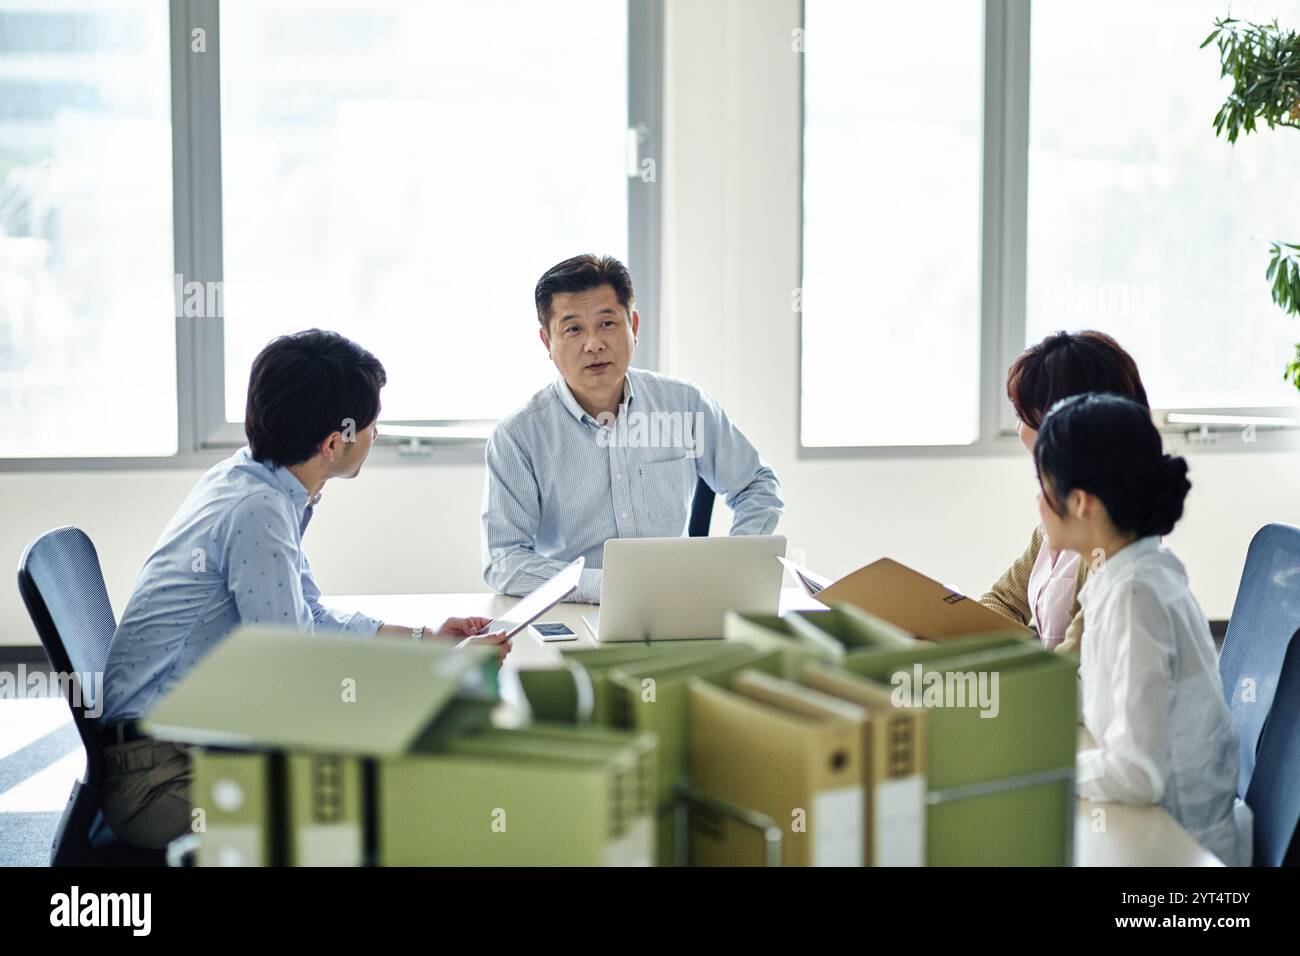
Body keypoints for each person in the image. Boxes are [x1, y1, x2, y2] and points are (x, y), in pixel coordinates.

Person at [99, 329, 507, 849]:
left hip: (183, 745)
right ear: (335, 442)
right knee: (383, 810)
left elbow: (307, 618)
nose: (376, 434)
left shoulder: (255, 481)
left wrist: (426, 639)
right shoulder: (258, 511)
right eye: (372, 423)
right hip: (161, 780)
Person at [481, 254, 783, 603]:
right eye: (573, 329)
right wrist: (606, 588)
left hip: (677, 604)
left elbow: (757, 486)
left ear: (633, 327)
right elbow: (504, 560)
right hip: (572, 608)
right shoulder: (519, 437)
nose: (593, 344)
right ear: (548, 343)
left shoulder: (684, 404)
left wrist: (731, 564)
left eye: (607, 324)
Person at [1034, 392, 1245, 866]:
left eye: (1043, 484)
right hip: (1158, 826)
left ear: (1082, 502)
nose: (1037, 501)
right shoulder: (1126, 576)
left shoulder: (1136, 598)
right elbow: (1103, 704)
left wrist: (1047, 768)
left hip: (1178, 847)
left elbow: (1136, 773)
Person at [979, 330, 1149, 653]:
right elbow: (1004, 601)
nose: (1018, 429)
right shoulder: (1059, 518)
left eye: (1023, 415)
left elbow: (1076, 666)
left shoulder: (1114, 542)